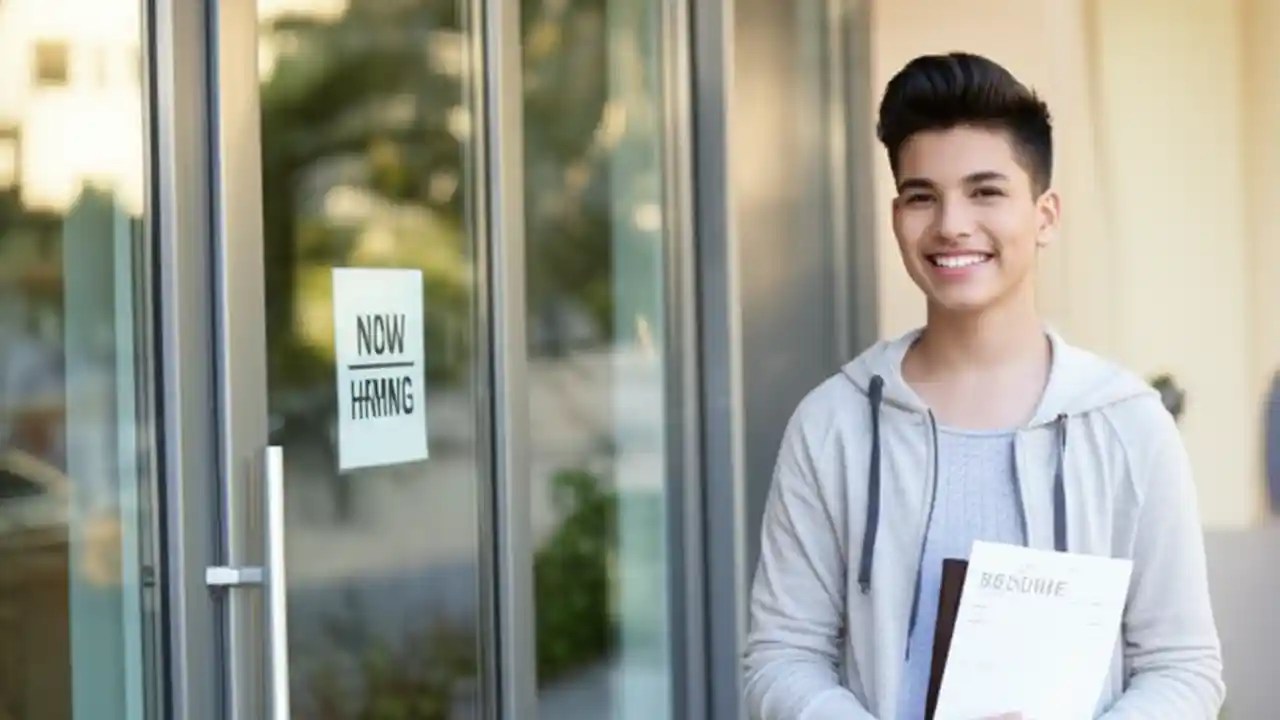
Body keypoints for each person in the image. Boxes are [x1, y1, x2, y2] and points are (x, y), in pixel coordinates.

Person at [742, 52, 1224, 719]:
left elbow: (1182, 666)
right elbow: (780, 656)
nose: (951, 224)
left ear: (1045, 216)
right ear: (896, 216)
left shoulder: (1128, 425)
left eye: (985, 192)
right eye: (922, 197)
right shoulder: (833, 425)